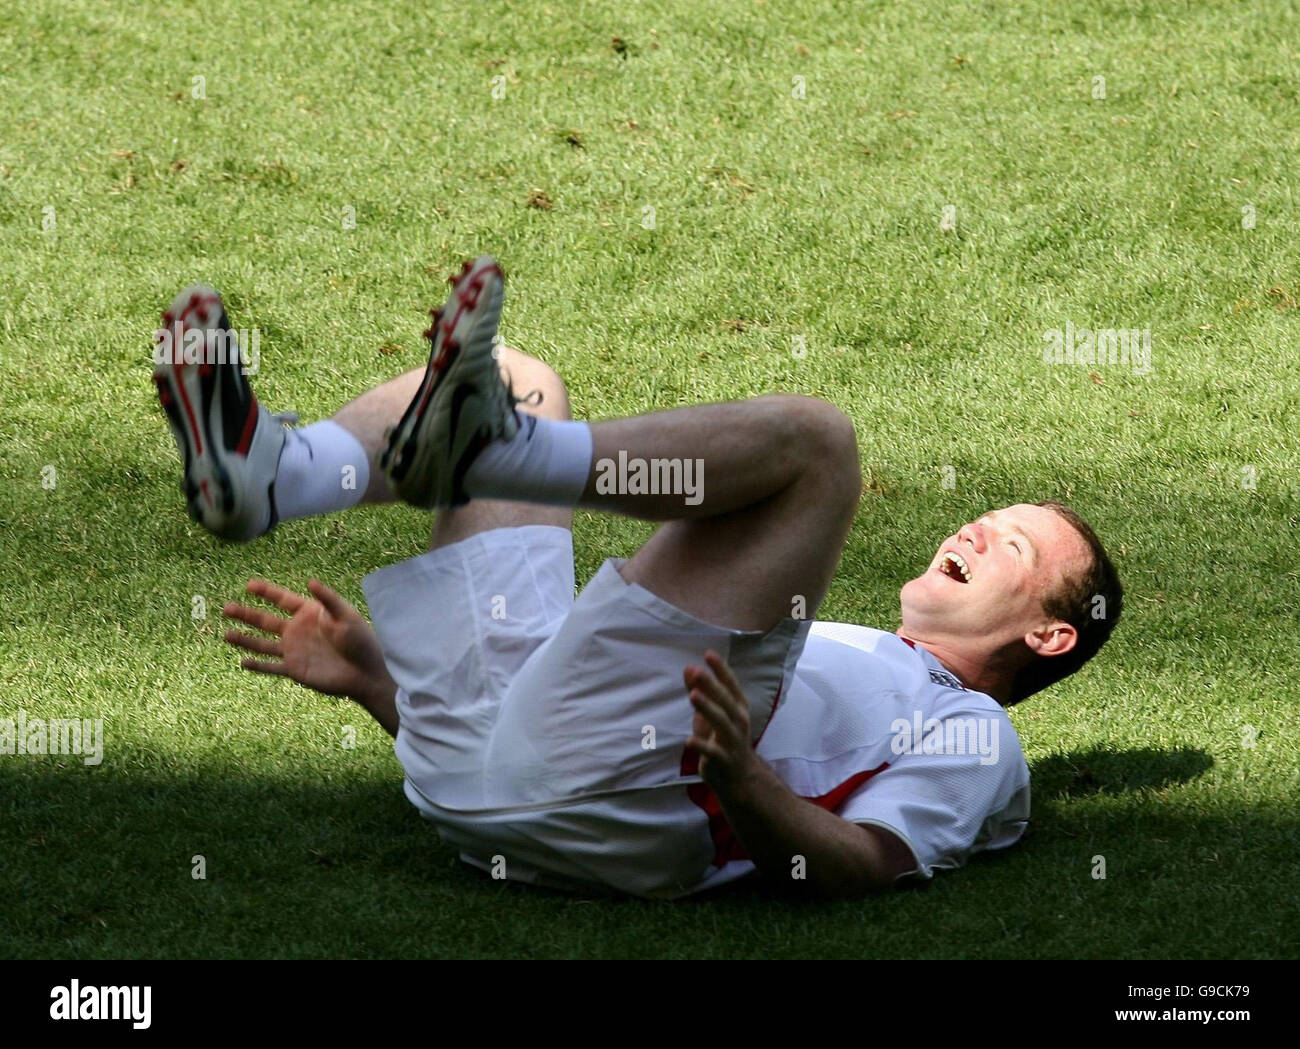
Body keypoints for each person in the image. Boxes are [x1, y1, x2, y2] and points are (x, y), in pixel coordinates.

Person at [153, 257, 1123, 899]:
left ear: (1048, 633)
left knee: (818, 446)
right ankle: (275, 476)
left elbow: (866, 860)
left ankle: (495, 450)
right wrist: (379, 680)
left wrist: (743, 780)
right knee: (523, 375)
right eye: (991, 518)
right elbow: (525, 769)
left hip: (646, 794)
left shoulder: (976, 733)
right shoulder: (853, 651)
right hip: (473, 782)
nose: (976, 528)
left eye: (1015, 548)